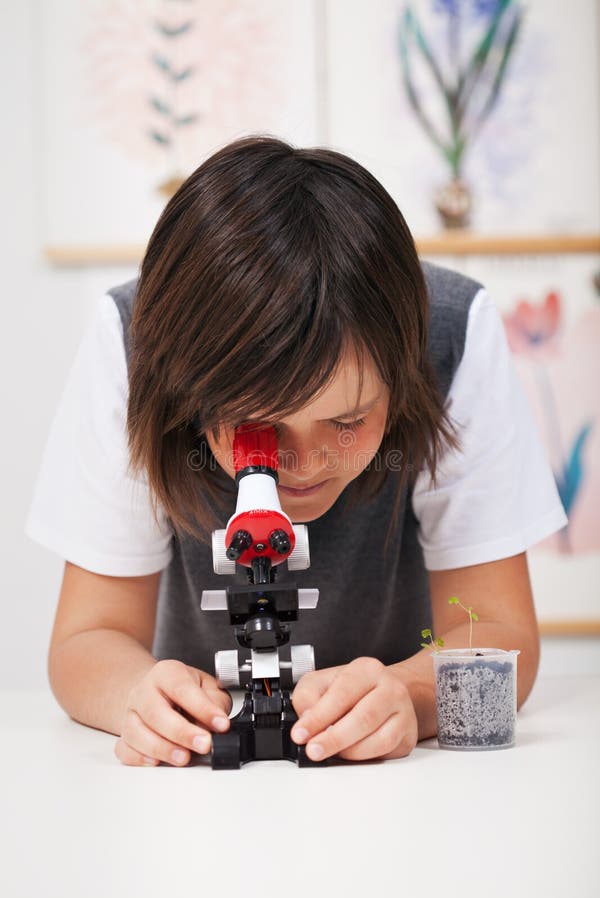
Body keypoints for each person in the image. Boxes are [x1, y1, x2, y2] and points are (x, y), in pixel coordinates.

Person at [25, 135, 567, 767]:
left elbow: (498, 633)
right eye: (259, 428)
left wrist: (412, 697)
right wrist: (136, 700)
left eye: (348, 420)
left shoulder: (452, 332)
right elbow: (89, 637)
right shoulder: (132, 340)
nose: (302, 465)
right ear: (187, 389)